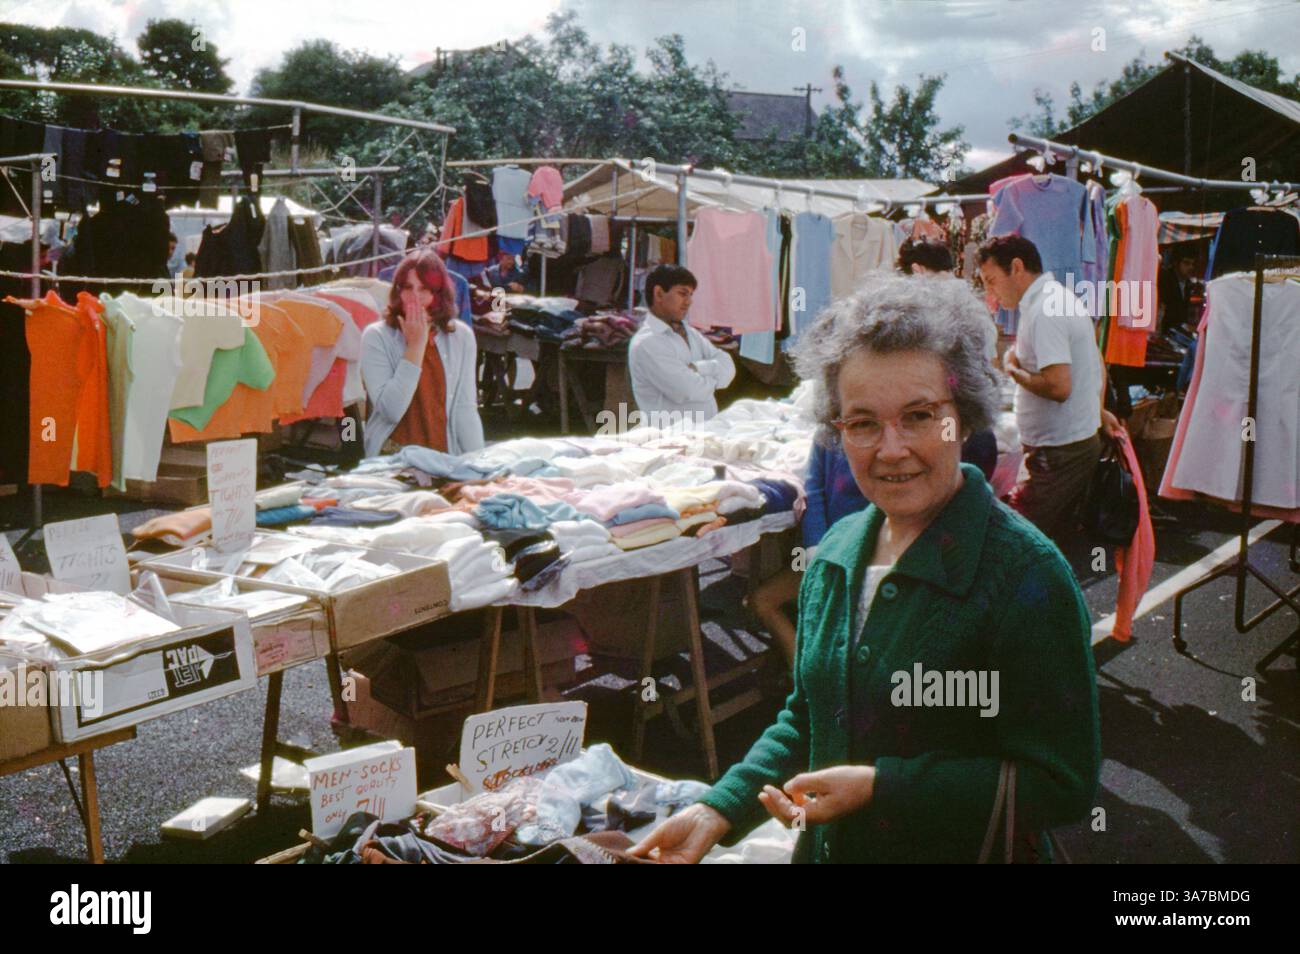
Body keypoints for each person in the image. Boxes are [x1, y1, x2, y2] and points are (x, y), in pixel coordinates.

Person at [630, 274, 1100, 864]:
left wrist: (883, 787)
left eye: (920, 415)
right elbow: (808, 716)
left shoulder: (1026, 575)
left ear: (967, 415)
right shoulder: (836, 554)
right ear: (836, 430)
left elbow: (1061, 785)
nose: (891, 448)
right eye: (863, 423)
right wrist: (719, 808)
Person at [978, 235, 1119, 543]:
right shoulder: (1056, 298)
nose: (990, 292)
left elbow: (1058, 386)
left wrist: (1014, 371)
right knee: (1051, 541)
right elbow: (1094, 363)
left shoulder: (1045, 310)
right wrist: (1097, 411)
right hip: (1067, 445)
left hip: (1059, 452)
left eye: (991, 281)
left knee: (1019, 542)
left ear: (1016, 267)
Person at [749, 435, 869, 667]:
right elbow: (813, 492)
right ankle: (803, 680)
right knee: (761, 600)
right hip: (826, 554)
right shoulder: (827, 433)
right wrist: (817, 552)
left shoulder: (882, 435)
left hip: (868, 556)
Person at [359, 249, 484, 457]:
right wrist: (415, 346)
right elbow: (391, 411)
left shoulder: (461, 337)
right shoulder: (376, 336)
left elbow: (465, 409)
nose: (414, 298)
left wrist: (480, 465)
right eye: (407, 288)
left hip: (442, 456)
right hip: (393, 457)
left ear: (439, 294)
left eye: (424, 289)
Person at [628, 264, 736, 426]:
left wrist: (699, 368)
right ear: (658, 293)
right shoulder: (648, 342)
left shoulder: (690, 333)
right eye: (682, 293)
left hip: (703, 434)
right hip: (667, 439)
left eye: (691, 295)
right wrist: (715, 379)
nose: (689, 302)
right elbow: (686, 390)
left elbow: (729, 367)